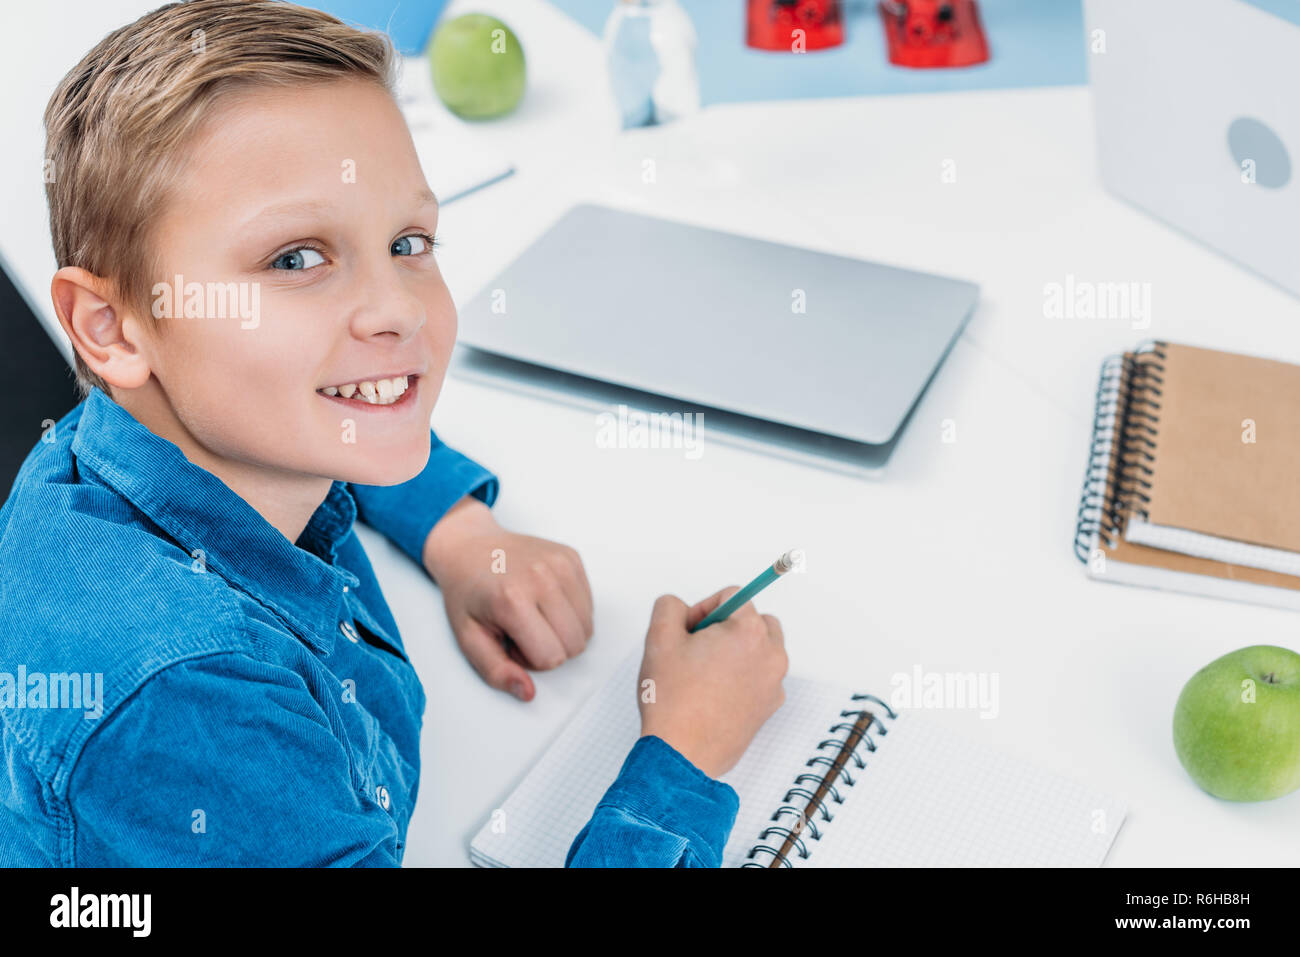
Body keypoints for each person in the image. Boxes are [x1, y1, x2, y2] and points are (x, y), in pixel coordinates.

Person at [0, 0, 786, 867]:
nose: (399, 309)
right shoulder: (186, 701)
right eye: (296, 258)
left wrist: (457, 529)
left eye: (409, 241)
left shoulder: (176, 427)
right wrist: (684, 754)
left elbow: (324, 399)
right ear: (110, 327)